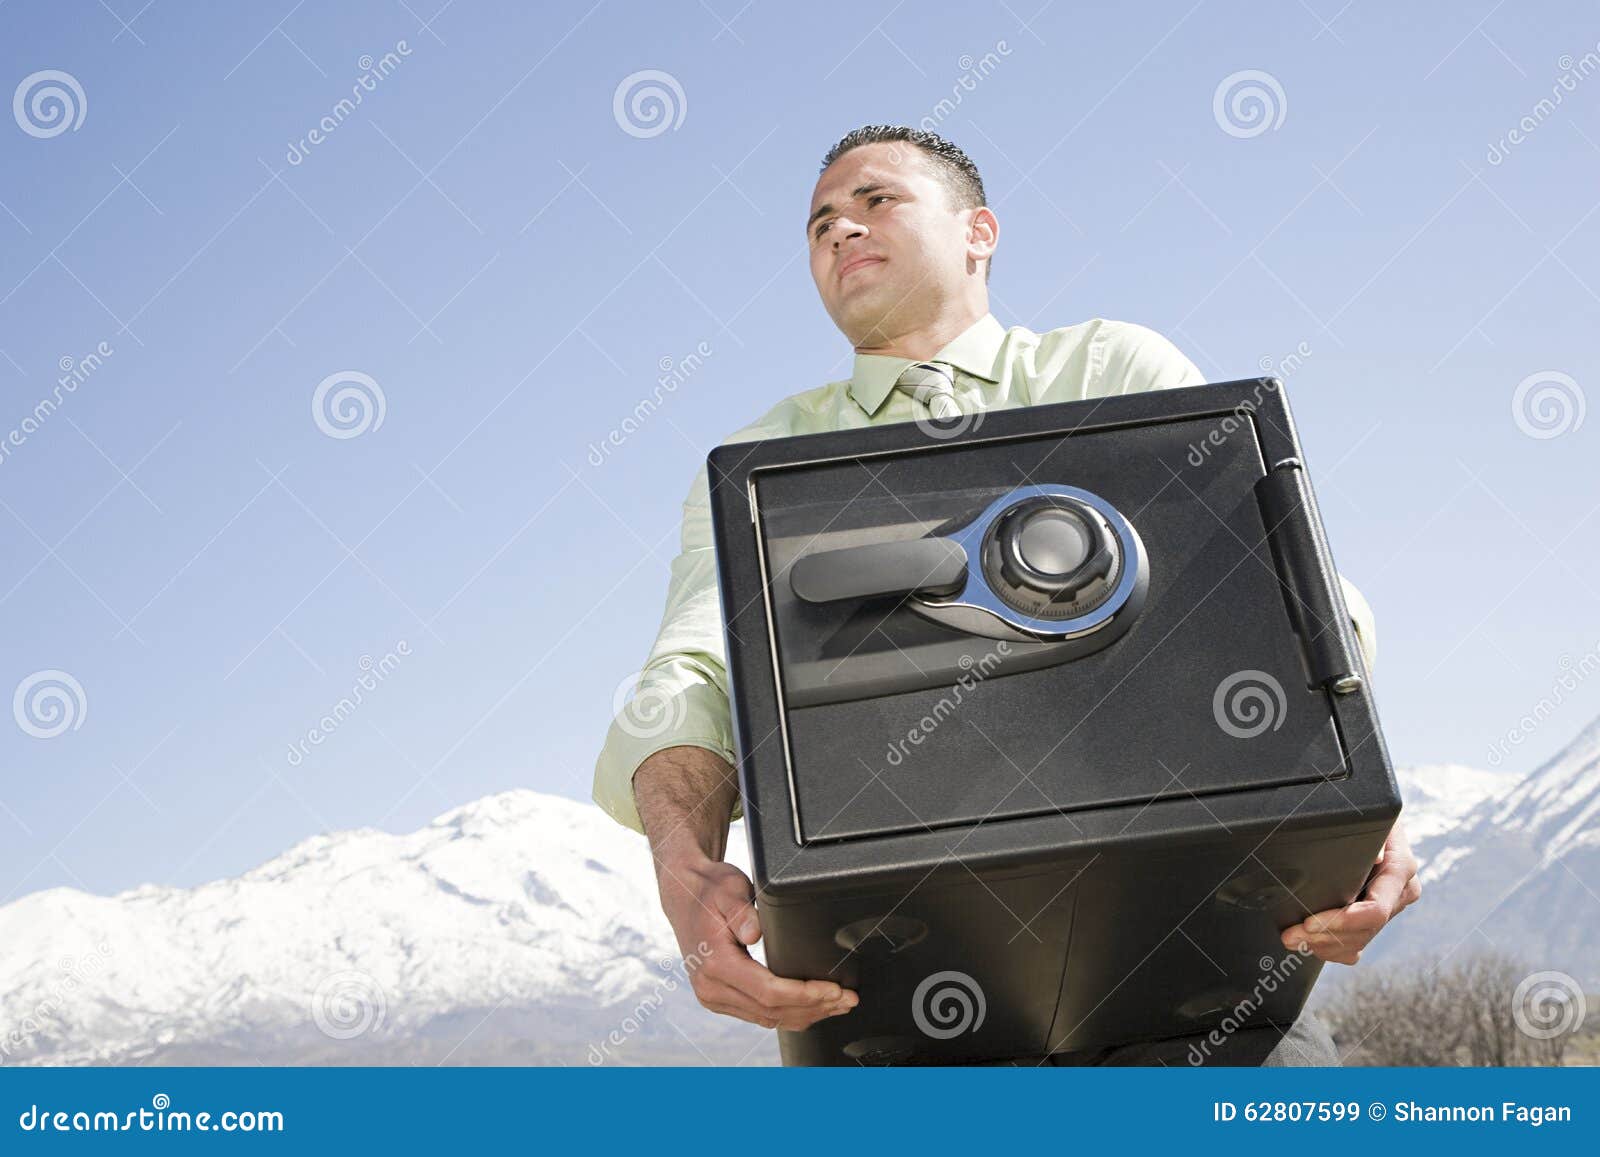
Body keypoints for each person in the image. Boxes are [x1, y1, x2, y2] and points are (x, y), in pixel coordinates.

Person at [592, 124, 1420, 1065]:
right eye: (819, 223)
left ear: (979, 231)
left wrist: (1361, 802)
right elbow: (694, 669)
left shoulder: (1113, 369)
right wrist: (679, 859)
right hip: (896, 1018)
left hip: (1202, 984)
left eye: (876, 202)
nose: (838, 231)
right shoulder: (754, 465)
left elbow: (1284, 589)